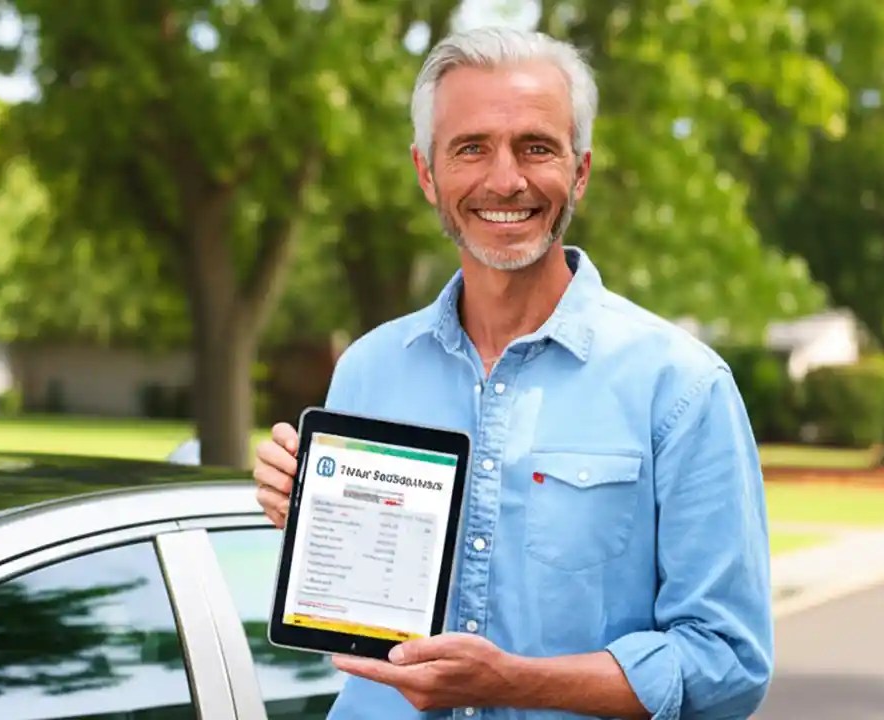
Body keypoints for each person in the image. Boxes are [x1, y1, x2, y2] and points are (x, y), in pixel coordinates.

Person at [254, 25, 773, 720]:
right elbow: (351, 619)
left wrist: (510, 681)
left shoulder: (681, 388)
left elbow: (727, 662)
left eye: (536, 147)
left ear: (580, 170)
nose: (506, 180)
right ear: (426, 172)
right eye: (471, 148)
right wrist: (305, 510)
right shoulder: (368, 369)